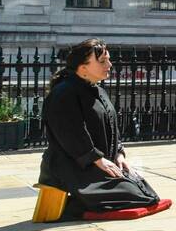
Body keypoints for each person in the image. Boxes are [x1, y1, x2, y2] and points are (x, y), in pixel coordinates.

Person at [39, 38, 164, 218]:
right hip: (71, 168)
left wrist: (119, 155)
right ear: (83, 69)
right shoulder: (64, 93)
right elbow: (71, 133)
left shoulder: (97, 90)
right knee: (138, 196)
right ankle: (70, 209)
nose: (110, 65)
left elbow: (111, 127)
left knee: (146, 193)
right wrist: (97, 159)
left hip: (99, 165)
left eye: (108, 59)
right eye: (103, 61)